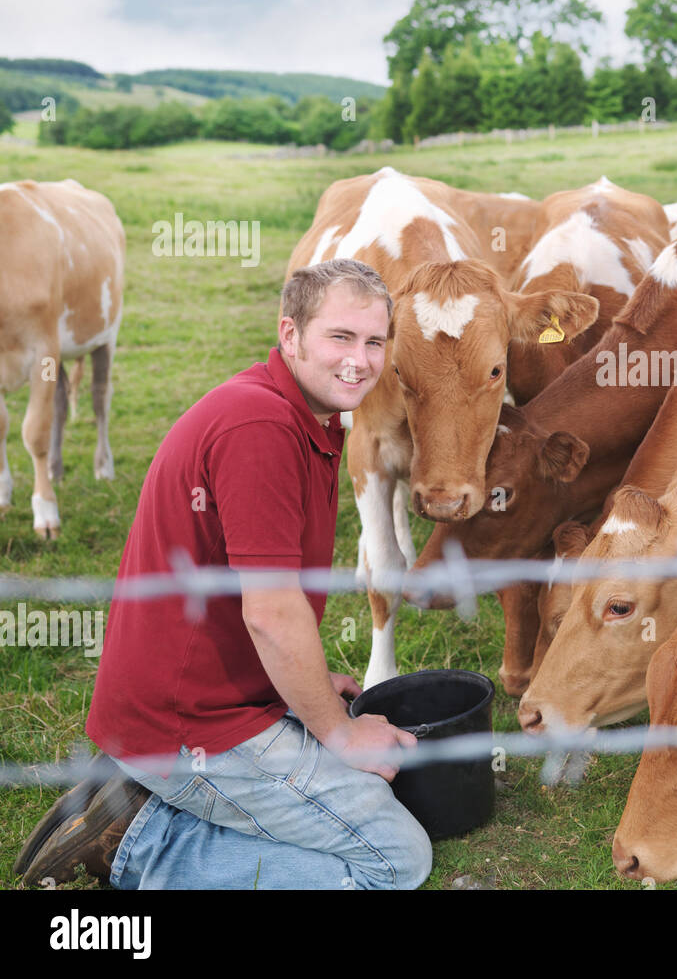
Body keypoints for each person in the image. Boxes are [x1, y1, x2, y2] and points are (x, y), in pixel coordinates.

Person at [15, 259, 433, 890]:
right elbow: (269, 611)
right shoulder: (260, 427)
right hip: (192, 722)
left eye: (375, 341)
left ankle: (157, 797)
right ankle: (140, 841)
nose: (361, 360)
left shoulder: (301, 415)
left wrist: (313, 682)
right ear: (289, 335)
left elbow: (259, 594)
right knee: (396, 859)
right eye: (340, 338)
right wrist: (337, 733)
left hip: (224, 699)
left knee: (375, 782)